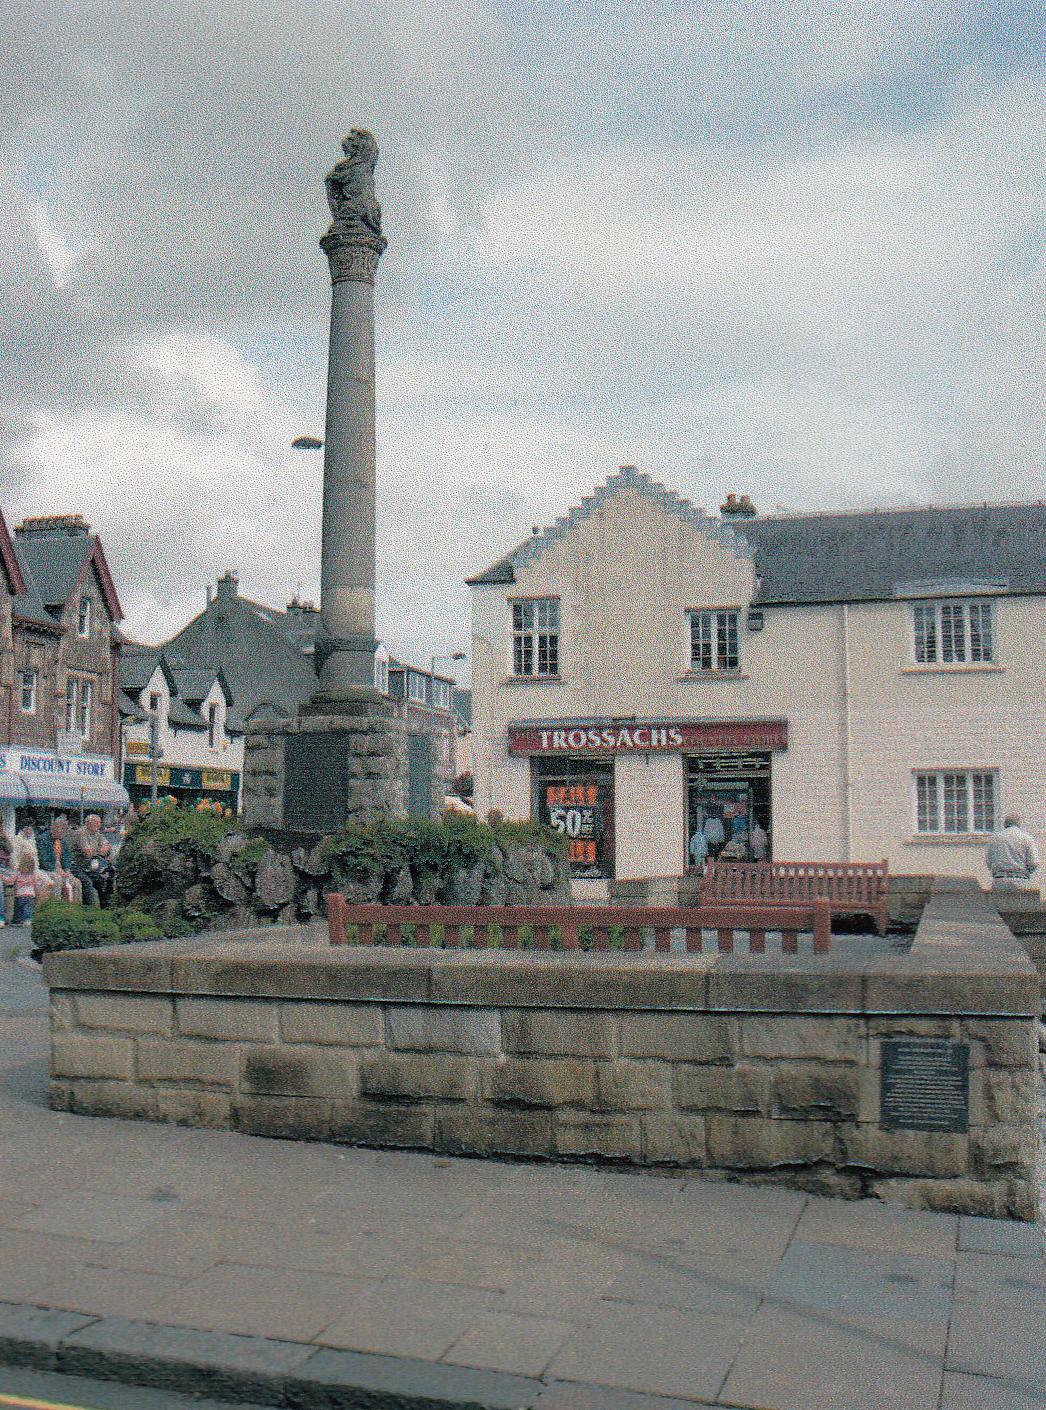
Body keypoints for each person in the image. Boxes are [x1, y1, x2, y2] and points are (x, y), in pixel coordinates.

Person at [984, 814, 1039, 890]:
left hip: (1000, 880)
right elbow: (1033, 863)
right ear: (1018, 824)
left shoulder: (994, 839)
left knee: (999, 902)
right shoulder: (1027, 838)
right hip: (1020, 880)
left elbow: (989, 862)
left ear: (1005, 824)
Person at [69, 813, 112, 907]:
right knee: (88, 883)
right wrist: (100, 851)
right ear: (88, 824)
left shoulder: (97, 833)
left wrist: (99, 851)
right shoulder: (81, 833)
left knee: (105, 881)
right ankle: (88, 909)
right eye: (96, 823)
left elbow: (107, 847)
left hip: (92, 867)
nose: (98, 826)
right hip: (78, 866)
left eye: (99, 823)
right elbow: (88, 853)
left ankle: (105, 909)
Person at [1, 852, 52, 924]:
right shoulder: (34, 873)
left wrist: (3, 877)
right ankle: (28, 919)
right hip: (31, 895)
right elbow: (47, 882)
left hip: (19, 895)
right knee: (28, 909)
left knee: (18, 909)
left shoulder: (18, 872)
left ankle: (17, 920)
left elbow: (11, 880)